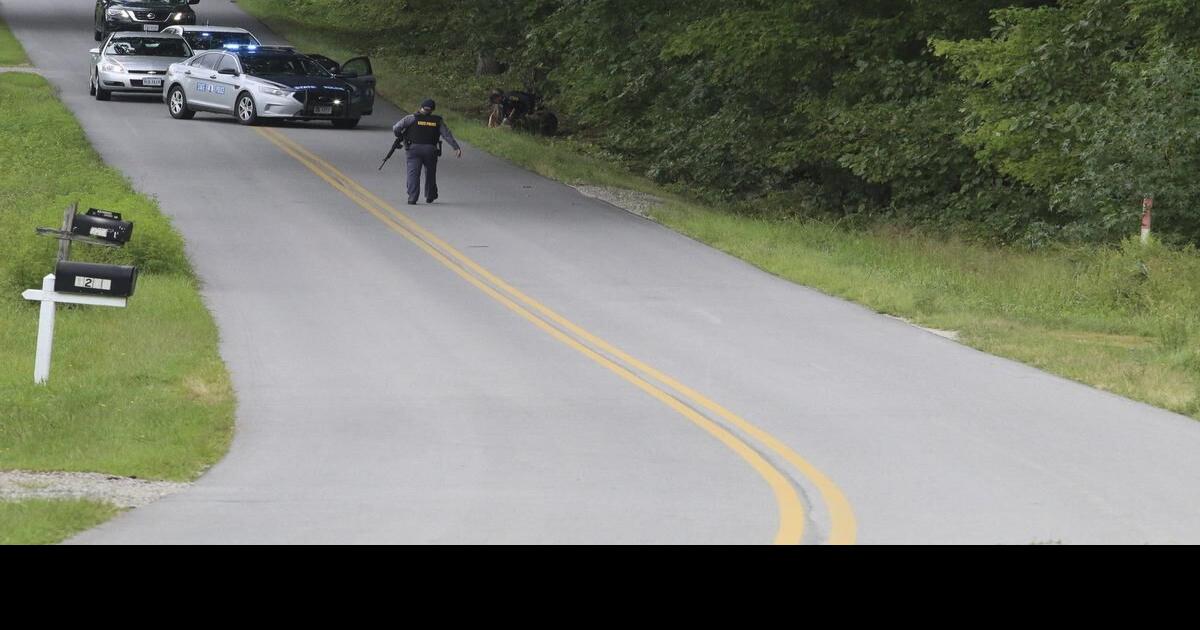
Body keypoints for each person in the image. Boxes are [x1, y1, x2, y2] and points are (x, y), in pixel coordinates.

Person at [392, 99, 462, 205]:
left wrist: (400, 135)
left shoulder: (411, 118)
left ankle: (412, 198)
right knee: (430, 173)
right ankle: (430, 196)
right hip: (431, 150)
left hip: (413, 149)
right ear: (433, 110)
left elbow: (396, 128)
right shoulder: (437, 120)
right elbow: (446, 135)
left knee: (413, 173)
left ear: (421, 107)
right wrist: (456, 147)